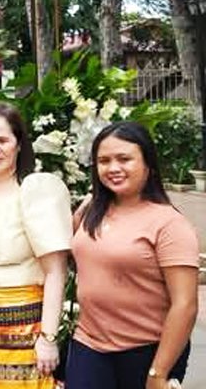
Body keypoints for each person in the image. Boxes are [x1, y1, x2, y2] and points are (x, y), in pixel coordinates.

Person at [65, 121, 199, 389]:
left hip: (147, 351)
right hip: (88, 344)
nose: (113, 168)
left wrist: (157, 373)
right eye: (104, 160)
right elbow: (77, 259)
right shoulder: (90, 210)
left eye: (124, 159)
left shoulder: (169, 223)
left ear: (148, 164)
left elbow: (185, 305)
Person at [0, 102, 72, 389]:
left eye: (2, 140)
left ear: (19, 144)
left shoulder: (35, 191)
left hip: (23, 328)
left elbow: (56, 272)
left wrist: (48, 338)